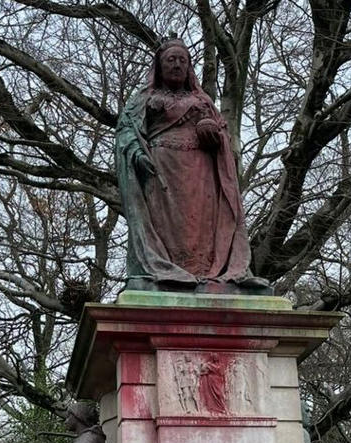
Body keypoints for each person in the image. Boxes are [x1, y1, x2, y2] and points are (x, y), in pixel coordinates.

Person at [115, 38, 271, 295]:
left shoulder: (202, 100)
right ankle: (169, 272)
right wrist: (136, 153)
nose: (176, 65)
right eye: (170, 60)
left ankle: (206, 274)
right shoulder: (145, 98)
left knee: (201, 225)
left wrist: (212, 132)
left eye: (182, 61)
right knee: (167, 226)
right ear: (159, 65)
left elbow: (222, 133)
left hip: (201, 173)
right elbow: (126, 131)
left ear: (189, 67)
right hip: (161, 169)